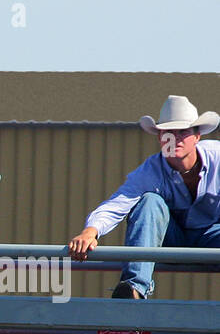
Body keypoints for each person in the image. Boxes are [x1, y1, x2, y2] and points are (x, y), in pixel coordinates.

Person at [68, 95, 220, 299]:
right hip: (172, 239)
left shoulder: (218, 158)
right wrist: (90, 232)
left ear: (197, 136)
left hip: (213, 237)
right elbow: (117, 204)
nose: (175, 139)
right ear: (160, 137)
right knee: (150, 201)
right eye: (168, 132)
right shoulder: (150, 171)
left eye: (182, 132)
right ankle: (134, 289)